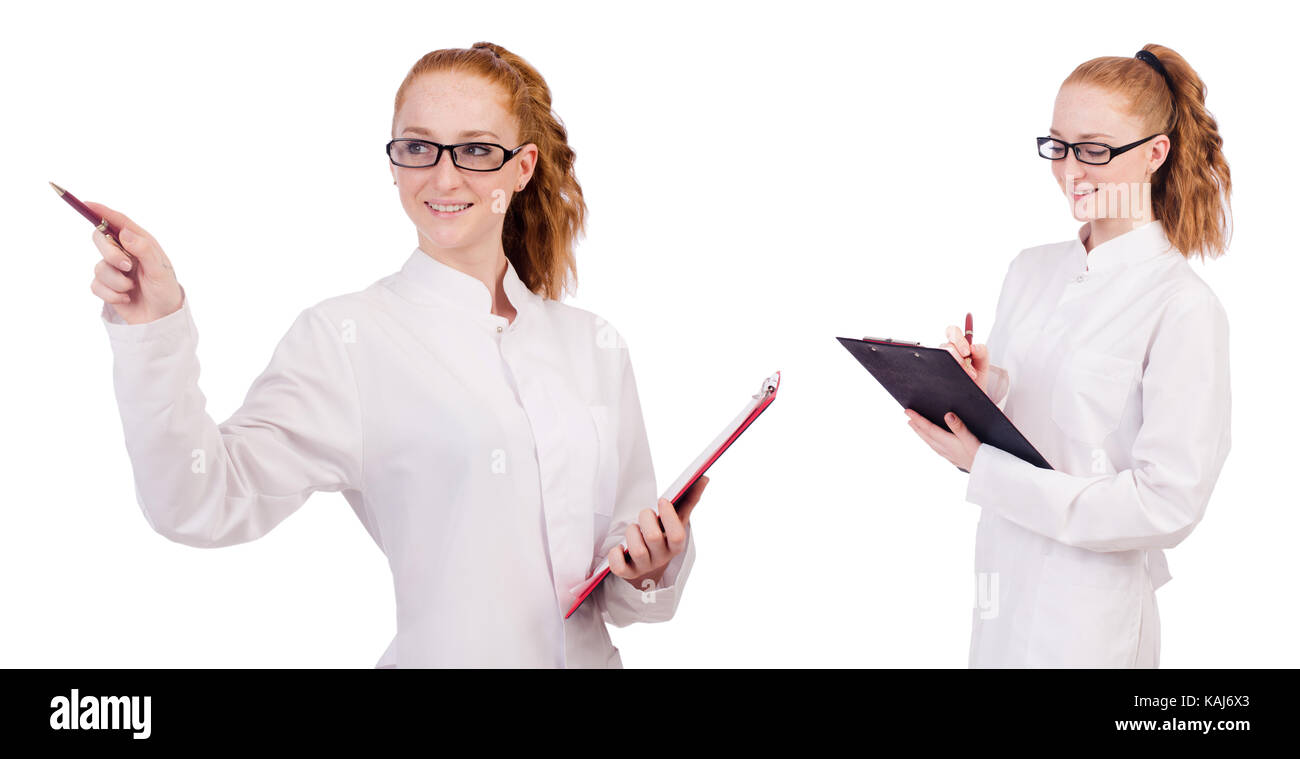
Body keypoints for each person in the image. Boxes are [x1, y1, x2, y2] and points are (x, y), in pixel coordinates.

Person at [88, 41, 705, 668]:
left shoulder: (593, 347)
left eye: (476, 150)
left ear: (522, 168)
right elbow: (197, 500)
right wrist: (154, 329)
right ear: (394, 163)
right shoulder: (348, 338)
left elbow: (631, 601)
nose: (444, 177)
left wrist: (650, 562)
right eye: (418, 148)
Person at [903, 44, 1232, 667]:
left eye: (1095, 149)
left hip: (1091, 616)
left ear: (1154, 153)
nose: (1071, 170)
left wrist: (986, 470)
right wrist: (983, 388)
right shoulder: (1030, 270)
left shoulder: (1182, 306)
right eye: (1057, 145)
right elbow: (1052, 414)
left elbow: (1168, 504)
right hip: (1001, 581)